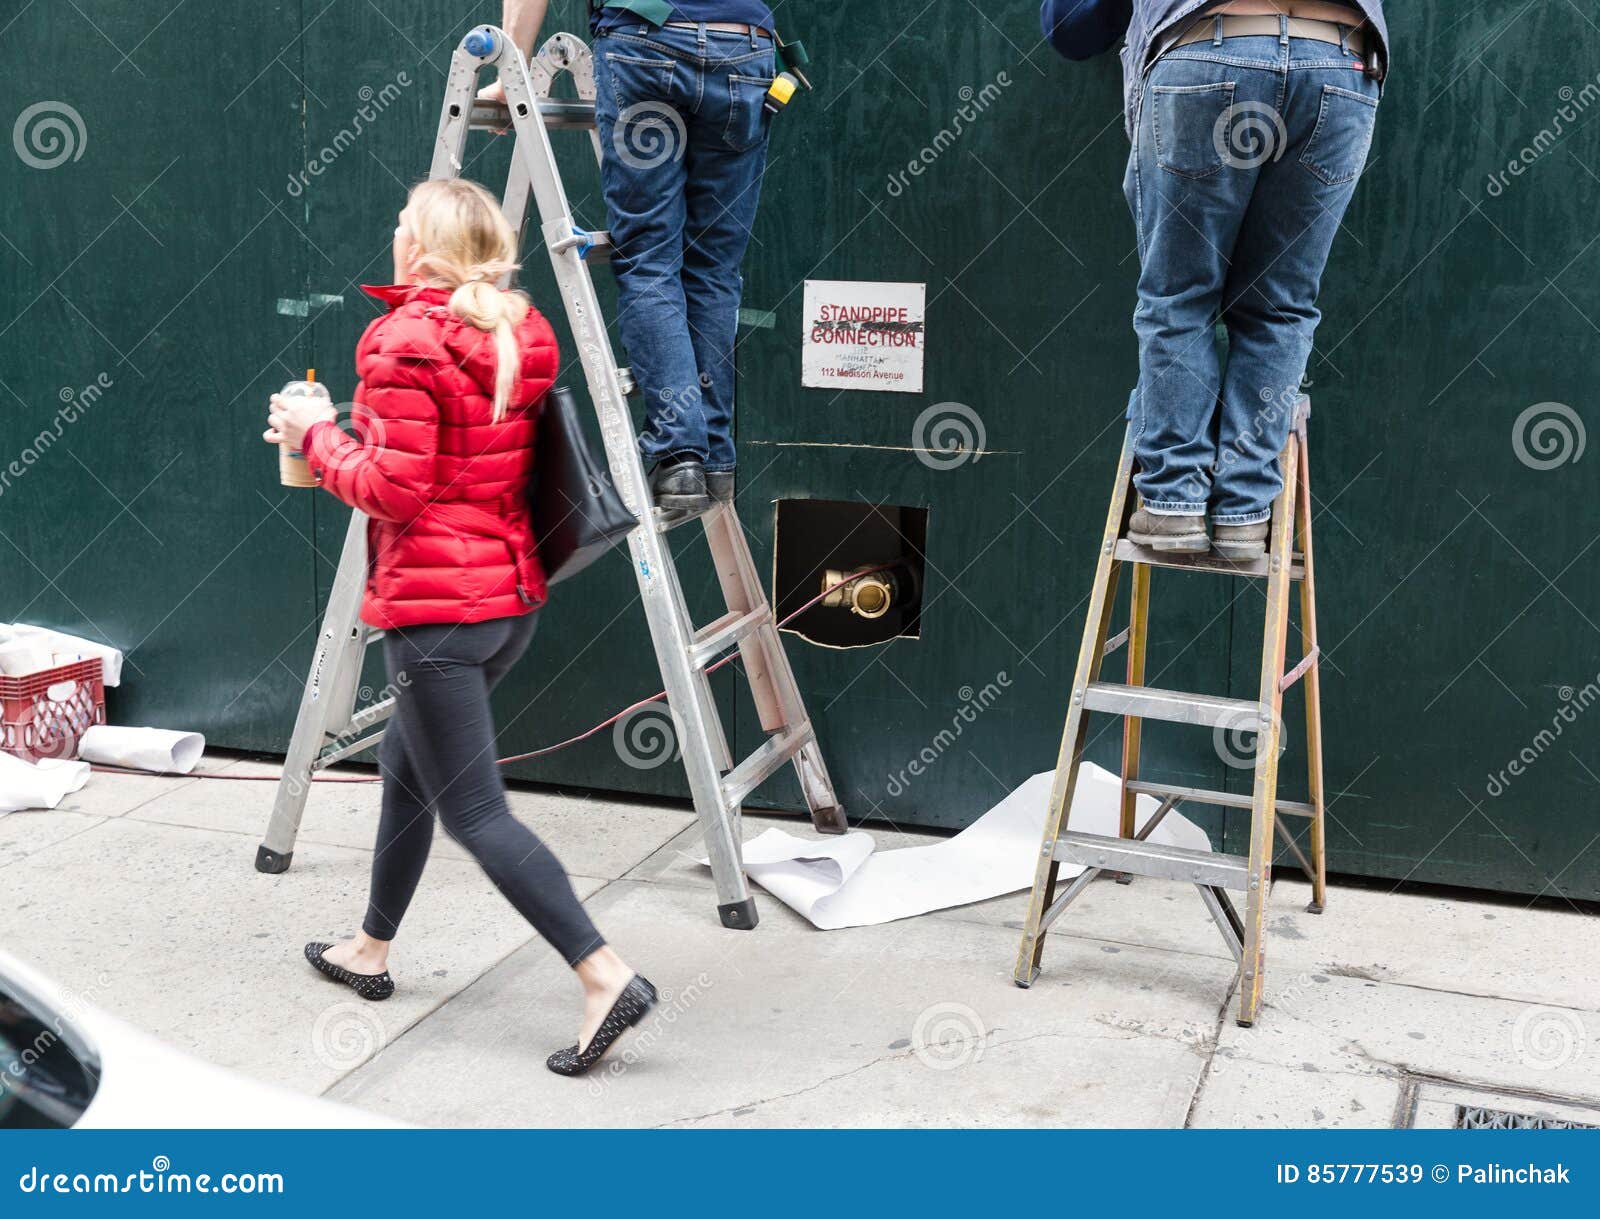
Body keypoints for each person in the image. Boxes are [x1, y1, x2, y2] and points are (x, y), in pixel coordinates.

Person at [264, 178, 655, 1078]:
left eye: (402, 226)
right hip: (505, 599)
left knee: (476, 812)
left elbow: (396, 488)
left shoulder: (402, 343)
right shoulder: (519, 328)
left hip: (439, 610)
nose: (393, 233)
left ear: (422, 251)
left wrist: (316, 433)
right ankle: (371, 946)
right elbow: (448, 463)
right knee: (407, 766)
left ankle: (604, 974)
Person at [1043, 0, 1389, 558]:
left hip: (1210, 51)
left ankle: (1173, 503)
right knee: (1282, 307)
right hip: (1340, 59)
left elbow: (1070, 28)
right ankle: (1245, 513)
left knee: (1180, 298)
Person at [501, 0, 779, 513]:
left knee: (650, 259)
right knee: (714, 269)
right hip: (744, 49)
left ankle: (679, 458)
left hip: (646, 42)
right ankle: (714, 461)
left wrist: (509, 66)